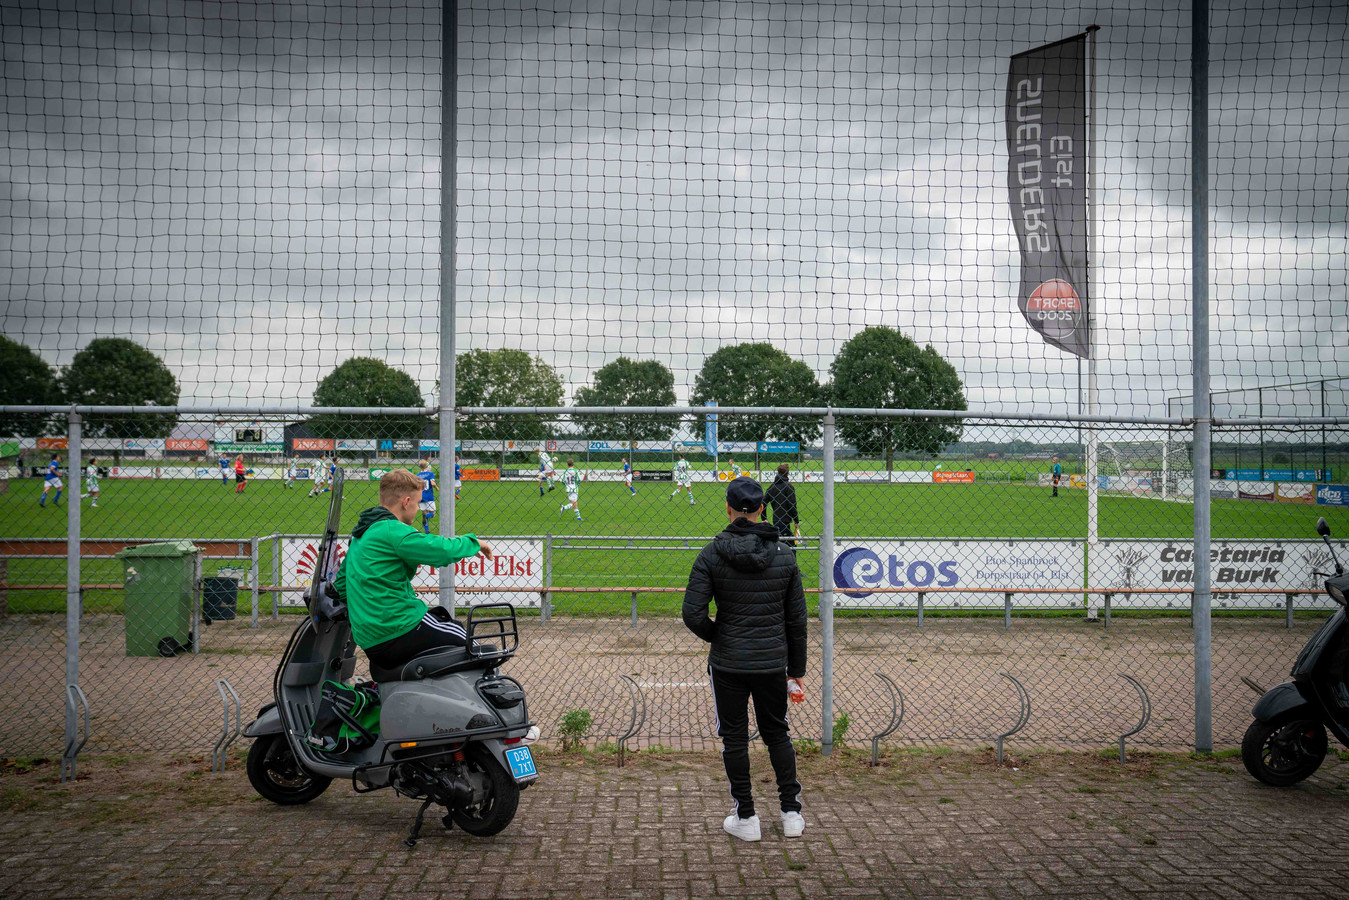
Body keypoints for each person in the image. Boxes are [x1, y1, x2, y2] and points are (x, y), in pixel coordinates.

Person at [683, 477, 807, 843]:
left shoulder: (711, 552)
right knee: (777, 734)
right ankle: (791, 814)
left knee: (734, 739)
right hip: (772, 664)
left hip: (729, 664)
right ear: (762, 510)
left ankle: (747, 816)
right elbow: (797, 620)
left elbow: (693, 614)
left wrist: (720, 636)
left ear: (728, 508)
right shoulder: (785, 555)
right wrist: (796, 671)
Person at [334, 469, 493, 669]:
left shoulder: (362, 534)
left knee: (444, 623)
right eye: (417, 503)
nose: (418, 509)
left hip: (370, 638)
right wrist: (475, 543)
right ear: (406, 502)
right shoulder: (393, 531)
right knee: (478, 649)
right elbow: (438, 549)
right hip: (398, 627)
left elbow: (341, 586)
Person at [764, 463, 800, 548]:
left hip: (776, 519)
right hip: (785, 519)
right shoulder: (789, 487)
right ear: (788, 473)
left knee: (779, 543)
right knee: (791, 546)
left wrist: (764, 518)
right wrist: (796, 520)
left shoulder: (772, 487)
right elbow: (792, 504)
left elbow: (763, 502)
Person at [416, 459, 438, 534]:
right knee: (433, 513)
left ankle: (426, 531)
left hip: (420, 496)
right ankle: (427, 516)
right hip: (429, 496)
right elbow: (432, 483)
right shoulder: (430, 474)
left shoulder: (417, 475)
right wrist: (437, 488)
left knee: (424, 512)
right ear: (426, 466)